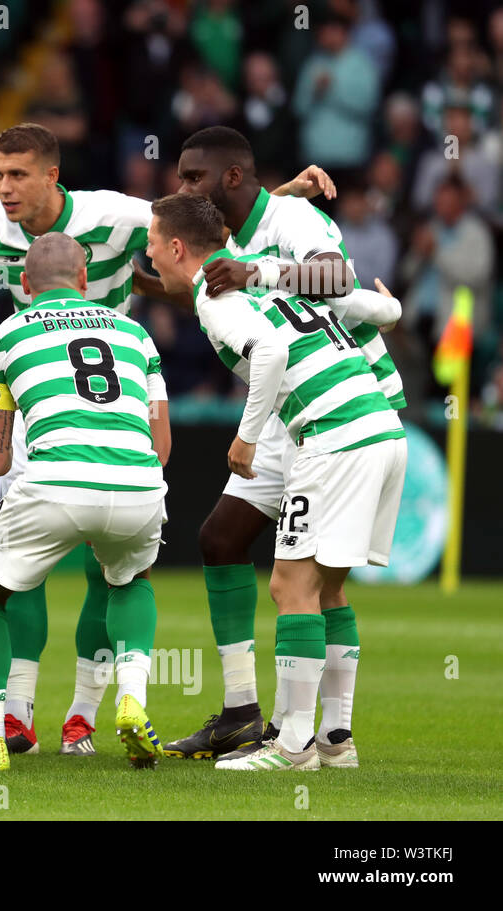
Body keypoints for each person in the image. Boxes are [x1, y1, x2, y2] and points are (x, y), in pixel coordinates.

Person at [0, 121, 333, 757]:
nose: (4, 189)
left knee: (18, 568)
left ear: (53, 176)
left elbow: (196, 224)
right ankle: (36, 710)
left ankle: (71, 716)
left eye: (18, 175)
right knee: (109, 571)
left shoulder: (116, 214)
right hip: (90, 393)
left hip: (50, 389)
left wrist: (281, 194)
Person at [165, 126, 404, 764]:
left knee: (296, 583)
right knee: (225, 538)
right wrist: (393, 313)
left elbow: (337, 275)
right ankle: (293, 725)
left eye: (194, 178)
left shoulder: (295, 217)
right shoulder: (221, 235)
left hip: (321, 405)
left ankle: (294, 736)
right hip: (315, 408)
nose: (185, 188)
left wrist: (260, 263)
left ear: (234, 177)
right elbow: (172, 267)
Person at [0, 233, 169, 772]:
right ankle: (133, 701)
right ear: (83, 280)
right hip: (140, 485)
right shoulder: (136, 334)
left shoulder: (5, 337)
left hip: (54, 480)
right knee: (131, 580)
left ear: (25, 285)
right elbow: (161, 446)